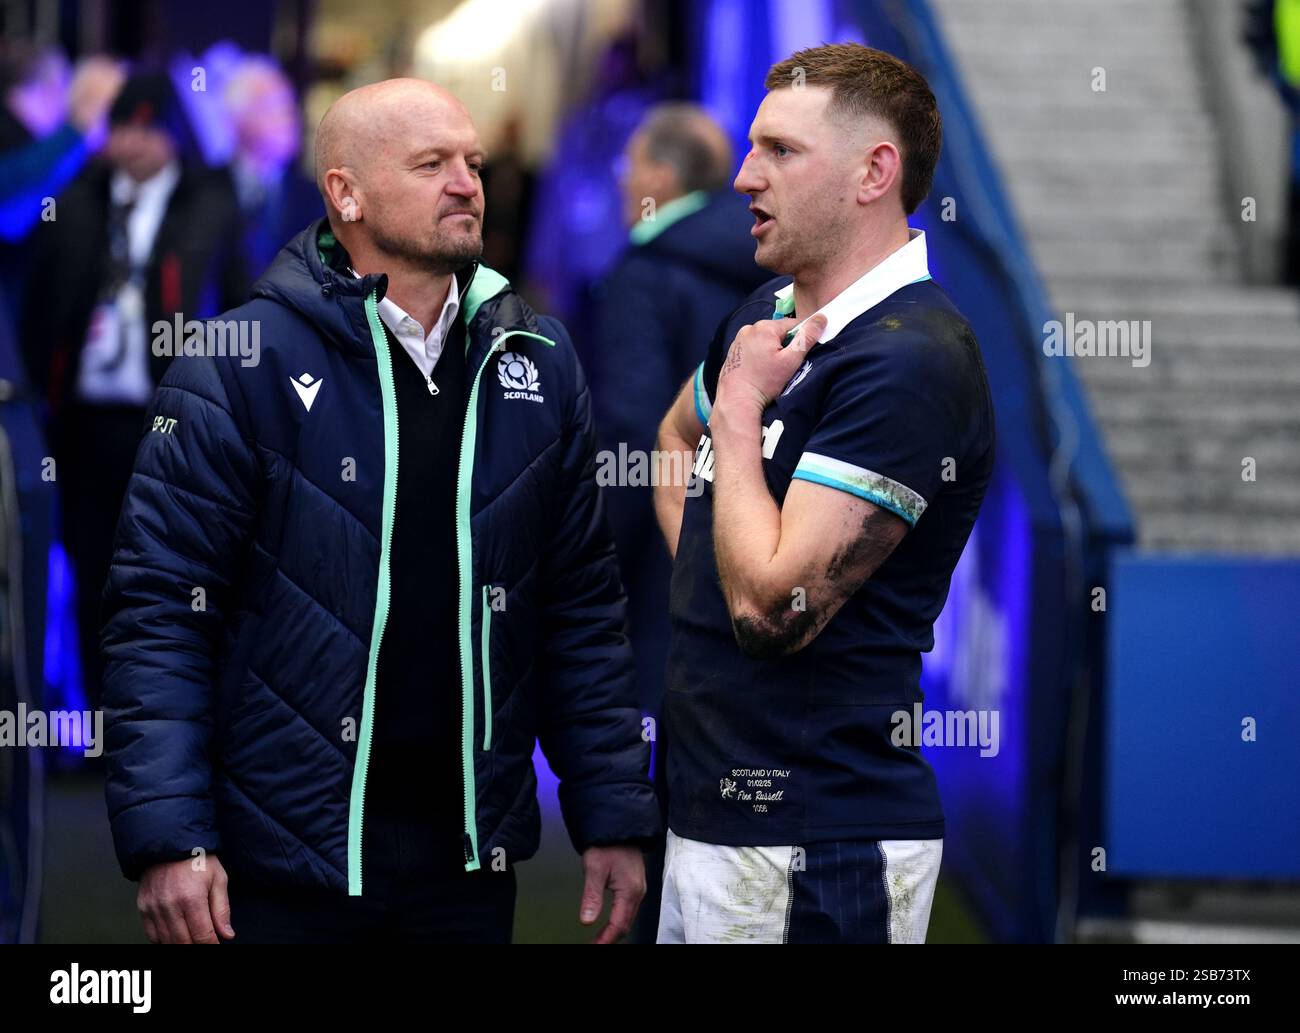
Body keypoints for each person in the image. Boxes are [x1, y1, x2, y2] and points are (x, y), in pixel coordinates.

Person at [100, 78, 658, 944]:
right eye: (431, 164)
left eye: (473, 163)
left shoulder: (536, 360)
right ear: (346, 194)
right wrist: (171, 836)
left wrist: (612, 810)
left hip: (468, 865)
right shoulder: (235, 366)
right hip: (282, 863)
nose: (467, 184)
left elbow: (579, 609)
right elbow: (161, 612)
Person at [652, 43, 995, 944]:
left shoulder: (913, 358)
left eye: (780, 150)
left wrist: (738, 408)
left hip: (817, 842)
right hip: (704, 812)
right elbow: (673, 440)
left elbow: (771, 608)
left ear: (874, 172)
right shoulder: (769, 312)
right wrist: (711, 574)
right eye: (750, 147)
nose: (742, 176)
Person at [588, 101, 768, 940]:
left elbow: (632, 432)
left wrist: (600, 568)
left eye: (630, 164)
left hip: (668, 569)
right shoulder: (775, 269)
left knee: (658, 799)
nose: (623, 180)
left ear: (661, 177)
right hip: (761, 551)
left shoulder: (643, 273)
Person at [23, 70, 247, 715]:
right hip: (82, 423)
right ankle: (100, 722)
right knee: (92, 572)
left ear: (174, 135)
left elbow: (241, 308)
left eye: (149, 130)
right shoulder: (77, 200)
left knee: (174, 576)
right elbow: (40, 307)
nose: (134, 143)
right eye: (123, 127)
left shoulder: (210, 204)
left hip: (173, 423)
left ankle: (166, 720)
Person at [223, 55, 323, 278]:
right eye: (272, 106)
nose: (288, 119)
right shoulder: (199, 190)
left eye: (289, 106)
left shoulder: (315, 198)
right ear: (238, 118)